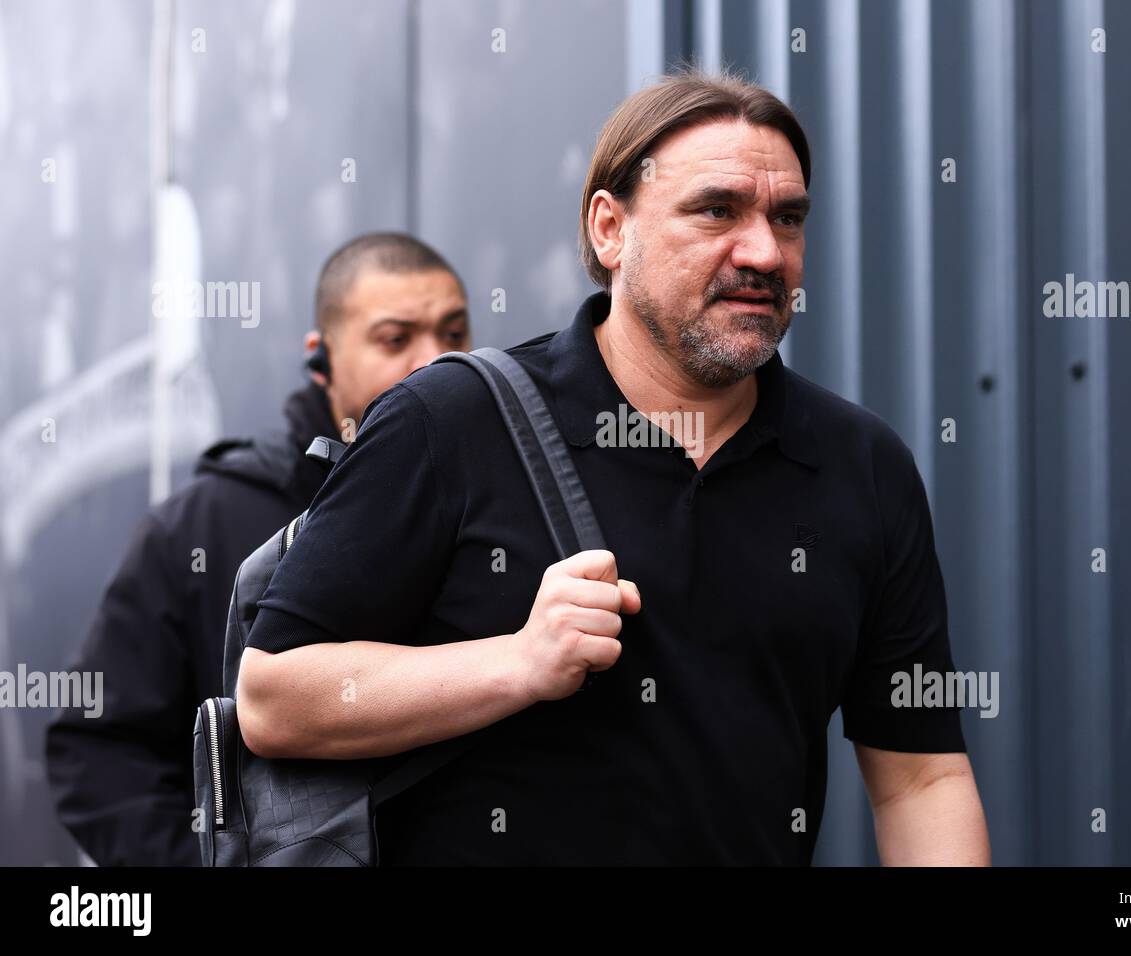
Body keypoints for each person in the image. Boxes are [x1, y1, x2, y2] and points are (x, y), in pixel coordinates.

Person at [238, 71, 991, 865]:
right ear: (610, 228)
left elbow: (922, 781)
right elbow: (273, 698)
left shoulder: (862, 466)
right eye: (717, 210)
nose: (766, 251)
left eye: (789, 217)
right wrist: (516, 663)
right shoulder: (451, 422)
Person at [44, 232, 470, 866]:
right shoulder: (202, 525)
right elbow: (97, 751)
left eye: (454, 333)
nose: (433, 361)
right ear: (320, 356)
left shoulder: (489, 500)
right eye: (395, 339)